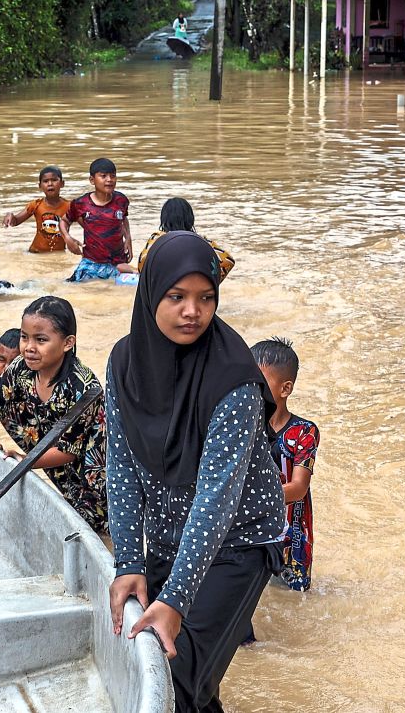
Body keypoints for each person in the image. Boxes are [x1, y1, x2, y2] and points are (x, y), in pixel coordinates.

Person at [106, 231, 285, 712]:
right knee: (197, 687)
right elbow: (121, 468)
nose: (193, 312)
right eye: (176, 297)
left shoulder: (235, 378)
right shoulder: (124, 362)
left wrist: (176, 599)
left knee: (172, 682)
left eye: (206, 298)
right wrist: (129, 563)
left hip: (237, 544)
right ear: (150, 295)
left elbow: (217, 498)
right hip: (167, 536)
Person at [0, 296, 108, 533]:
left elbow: (68, 452)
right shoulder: (21, 367)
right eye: (25, 337)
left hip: (91, 472)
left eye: (41, 340)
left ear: (67, 343)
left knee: (98, 526)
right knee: (6, 396)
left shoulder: (83, 387)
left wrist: (25, 460)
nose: (29, 347)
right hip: (49, 452)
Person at [251, 337, 320, 592]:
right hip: (253, 528)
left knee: (294, 596)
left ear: (285, 388)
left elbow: (299, 488)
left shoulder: (304, 432)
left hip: (294, 534)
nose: (251, 389)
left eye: (259, 382)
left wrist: (250, 499)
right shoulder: (245, 427)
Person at [60, 158, 134, 282]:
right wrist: (67, 239)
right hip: (91, 263)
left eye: (113, 176)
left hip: (118, 262)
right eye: (103, 176)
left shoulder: (121, 200)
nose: (109, 180)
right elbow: (64, 221)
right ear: (92, 180)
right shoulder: (81, 204)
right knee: (70, 287)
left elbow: (123, 219)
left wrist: (128, 238)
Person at [136, 197, 235, 282]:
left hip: (167, 290)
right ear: (190, 219)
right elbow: (228, 261)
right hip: (194, 287)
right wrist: (210, 282)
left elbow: (143, 262)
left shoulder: (158, 239)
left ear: (164, 219)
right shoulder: (201, 241)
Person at [2, 165, 70, 253]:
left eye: (54, 180)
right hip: (35, 253)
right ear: (40, 186)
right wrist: (10, 215)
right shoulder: (36, 205)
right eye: (45, 181)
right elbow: (15, 222)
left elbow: (86, 224)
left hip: (58, 254)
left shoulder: (70, 207)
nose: (50, 184)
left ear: (62, 184)